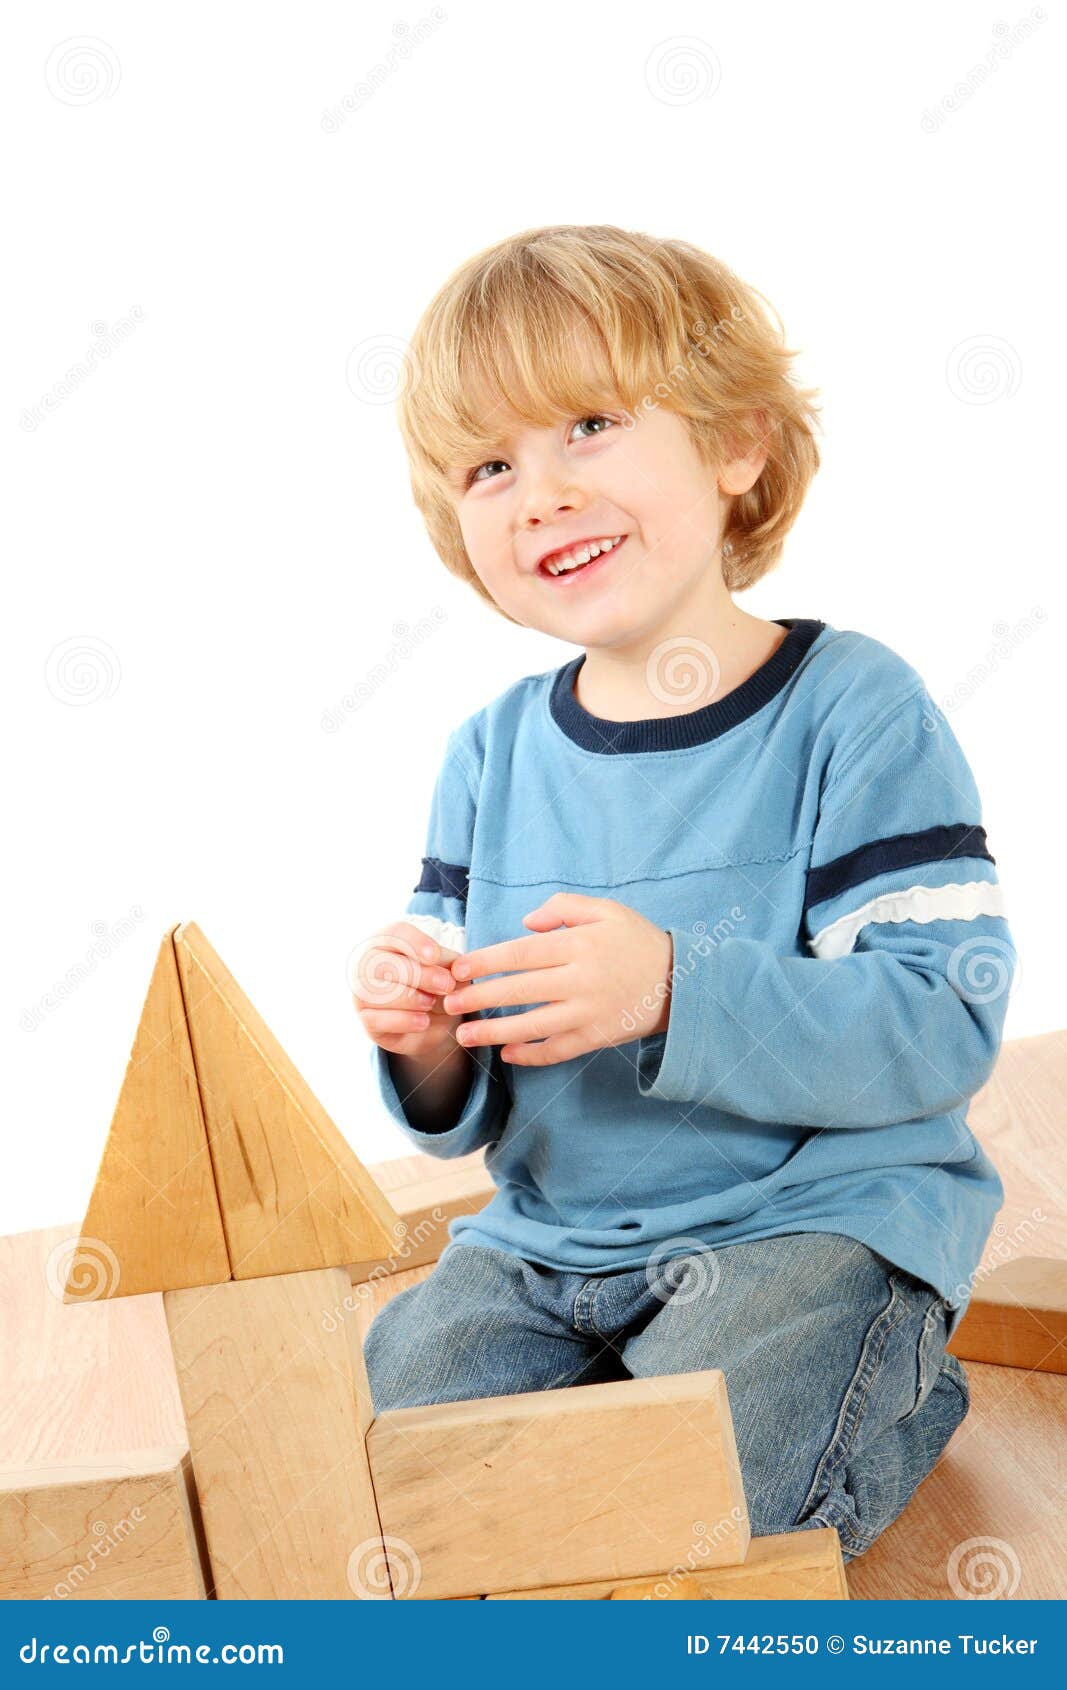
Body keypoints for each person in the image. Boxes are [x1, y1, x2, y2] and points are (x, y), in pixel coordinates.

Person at [352, 224, 1016, 1563]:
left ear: (736, 445)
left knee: (720, 1461)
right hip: (550, 1242)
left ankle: (885, 1387)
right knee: (395, 1437)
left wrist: (671, 989)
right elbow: (465, 1098)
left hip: (804, 1225)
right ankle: (609, 1439)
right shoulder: (491, 753)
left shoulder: (854, 710)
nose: (540, 495)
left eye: (589, 426)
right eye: (491, 466)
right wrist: (425, 1039)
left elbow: (943, 1018)